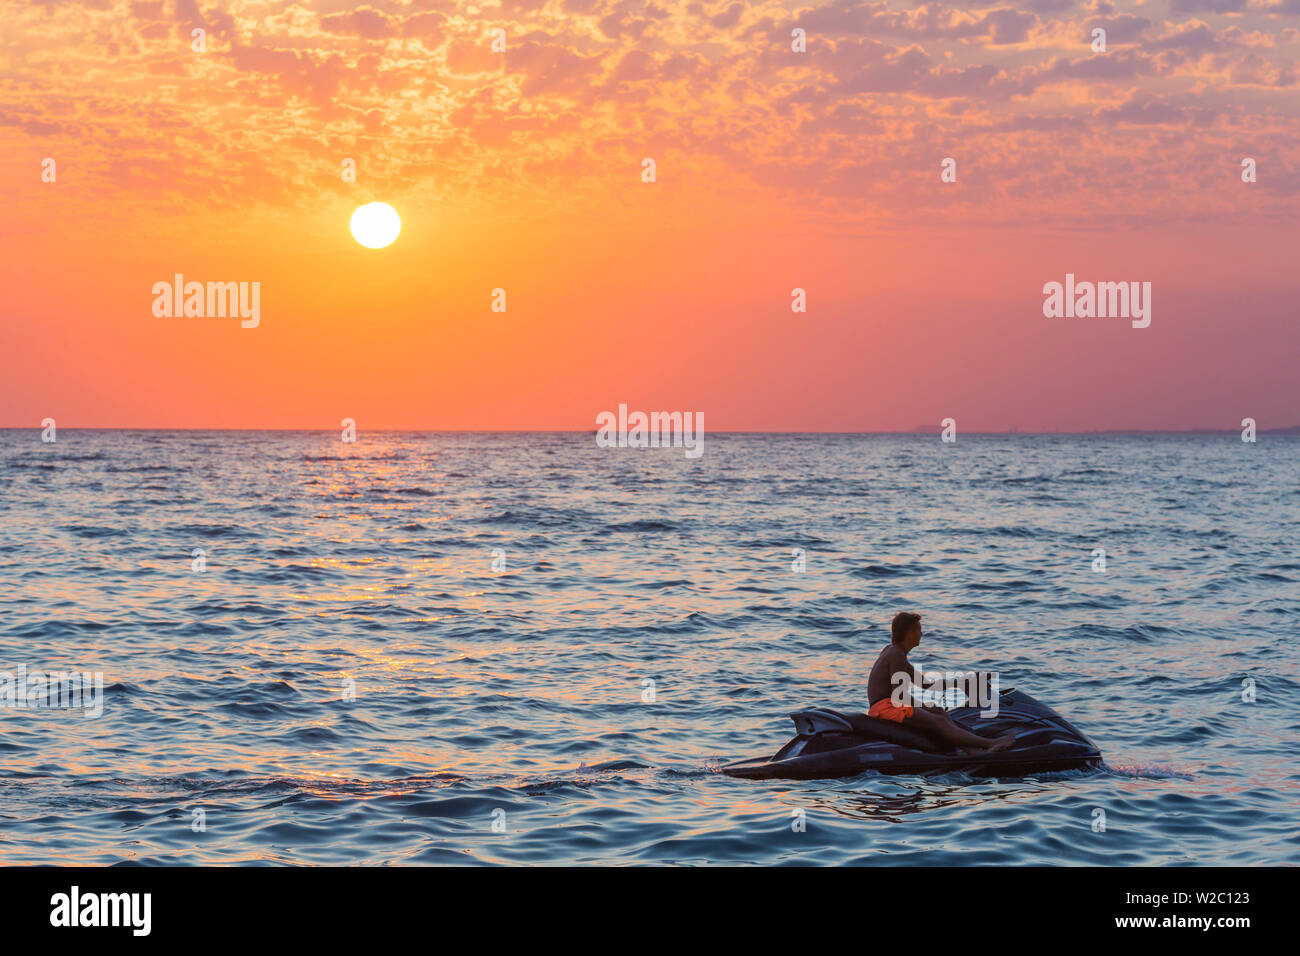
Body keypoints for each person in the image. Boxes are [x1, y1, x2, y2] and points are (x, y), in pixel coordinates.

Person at [866, 611, 1015, 753]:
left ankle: (971, 751)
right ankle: (990, 743)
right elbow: (899, 695)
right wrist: (925, 707)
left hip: (888, 705)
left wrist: (961, 682)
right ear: (909, 633)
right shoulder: (897, 654)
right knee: (938, 721)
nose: (921, 634)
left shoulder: (894, 652)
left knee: (941, 713)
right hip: (885, 707)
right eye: (918, 630)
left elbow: (926, 684)